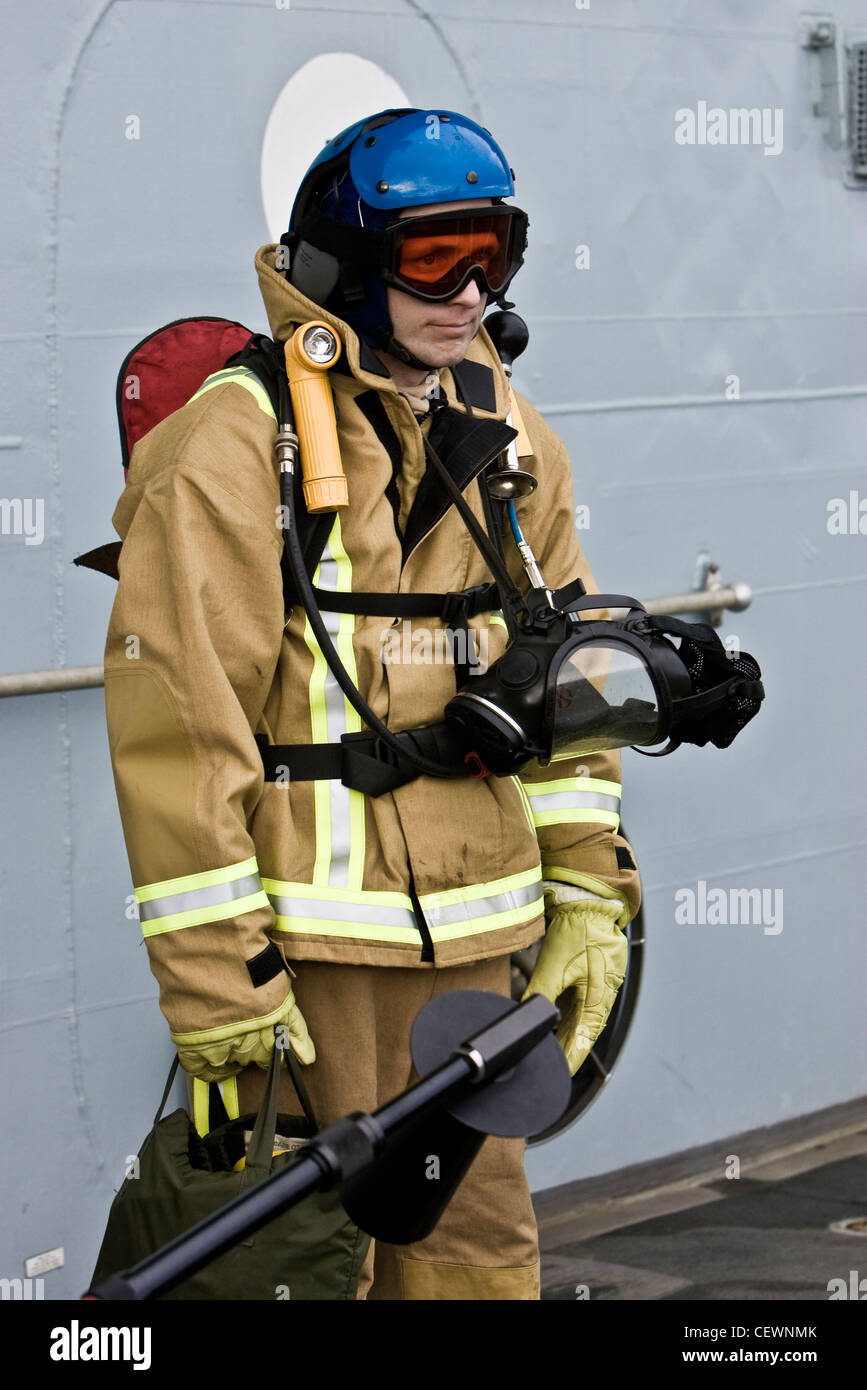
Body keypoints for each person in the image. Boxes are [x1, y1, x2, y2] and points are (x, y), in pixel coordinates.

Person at [103, 106, 641, 1301]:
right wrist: (214, 983)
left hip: (475, 965)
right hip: (303, 973)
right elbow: (180, 732)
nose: (471, 290)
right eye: (435, 255)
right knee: (294, 1270)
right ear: (346, 263)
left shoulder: (511, 442)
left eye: (495, 253)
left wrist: (593, 891)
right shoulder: (233, 450)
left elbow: (563, 688)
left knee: (472, 1269)